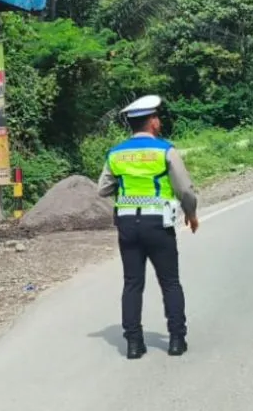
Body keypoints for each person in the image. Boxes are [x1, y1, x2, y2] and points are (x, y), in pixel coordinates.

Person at [97, 95, 199, 359]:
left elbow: (103, 189)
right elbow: (185, 190)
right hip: (158, 225)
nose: (159, 121)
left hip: (127, 226)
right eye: (157, 117)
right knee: (170, 282)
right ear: (152, 122)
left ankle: (133, 344)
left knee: (132, 283)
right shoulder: (165, 150)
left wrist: (124, 182)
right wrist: (191, 213)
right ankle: (176, 340)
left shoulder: (116, 153)